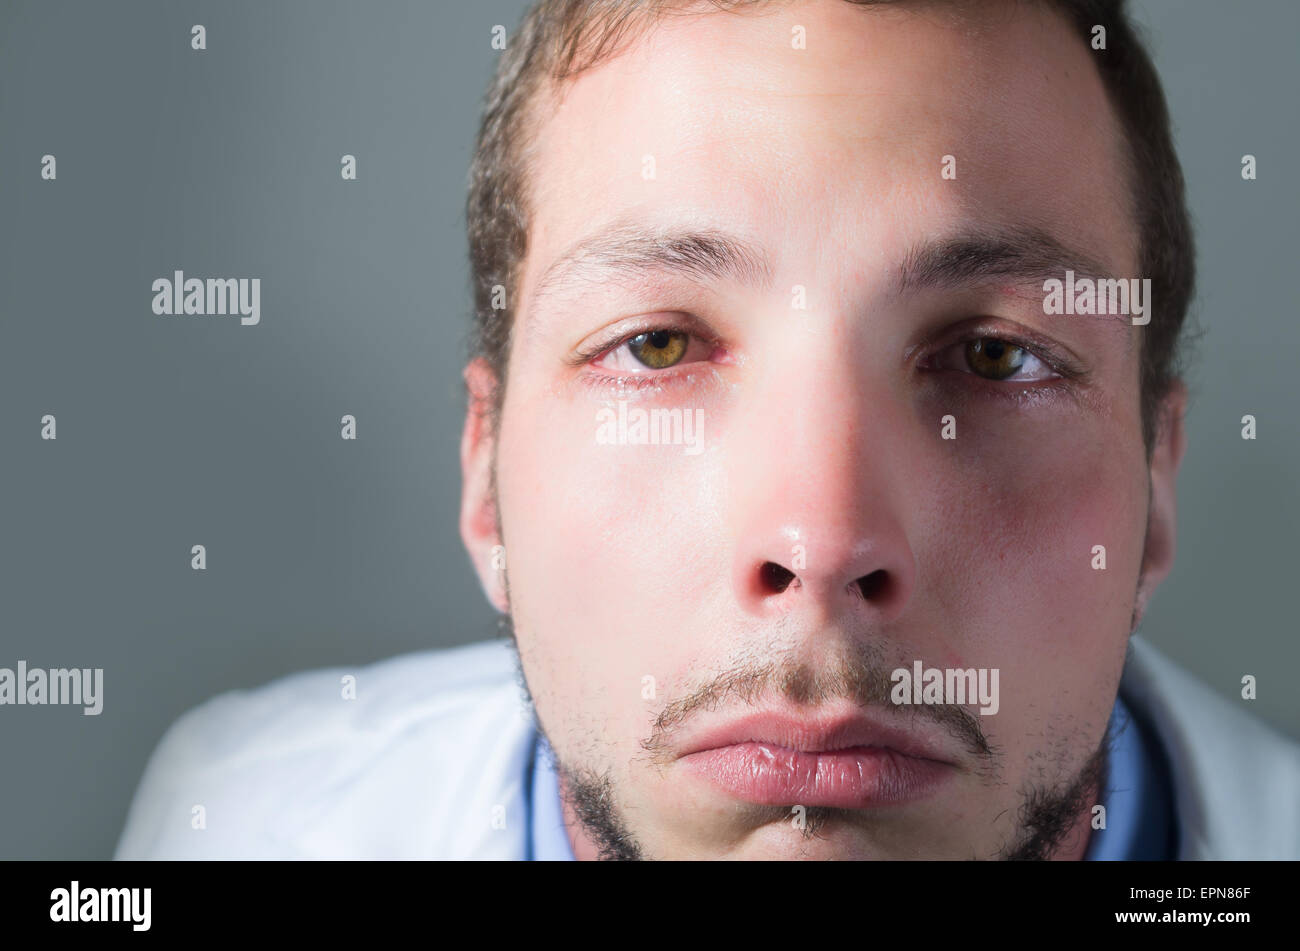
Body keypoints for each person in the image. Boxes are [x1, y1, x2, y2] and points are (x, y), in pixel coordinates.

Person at [116, 0, 1300, 861]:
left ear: (1153, 486)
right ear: (486, 480)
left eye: (995, 358)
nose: (822, 541)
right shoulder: (233, 815)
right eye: (658, 346)